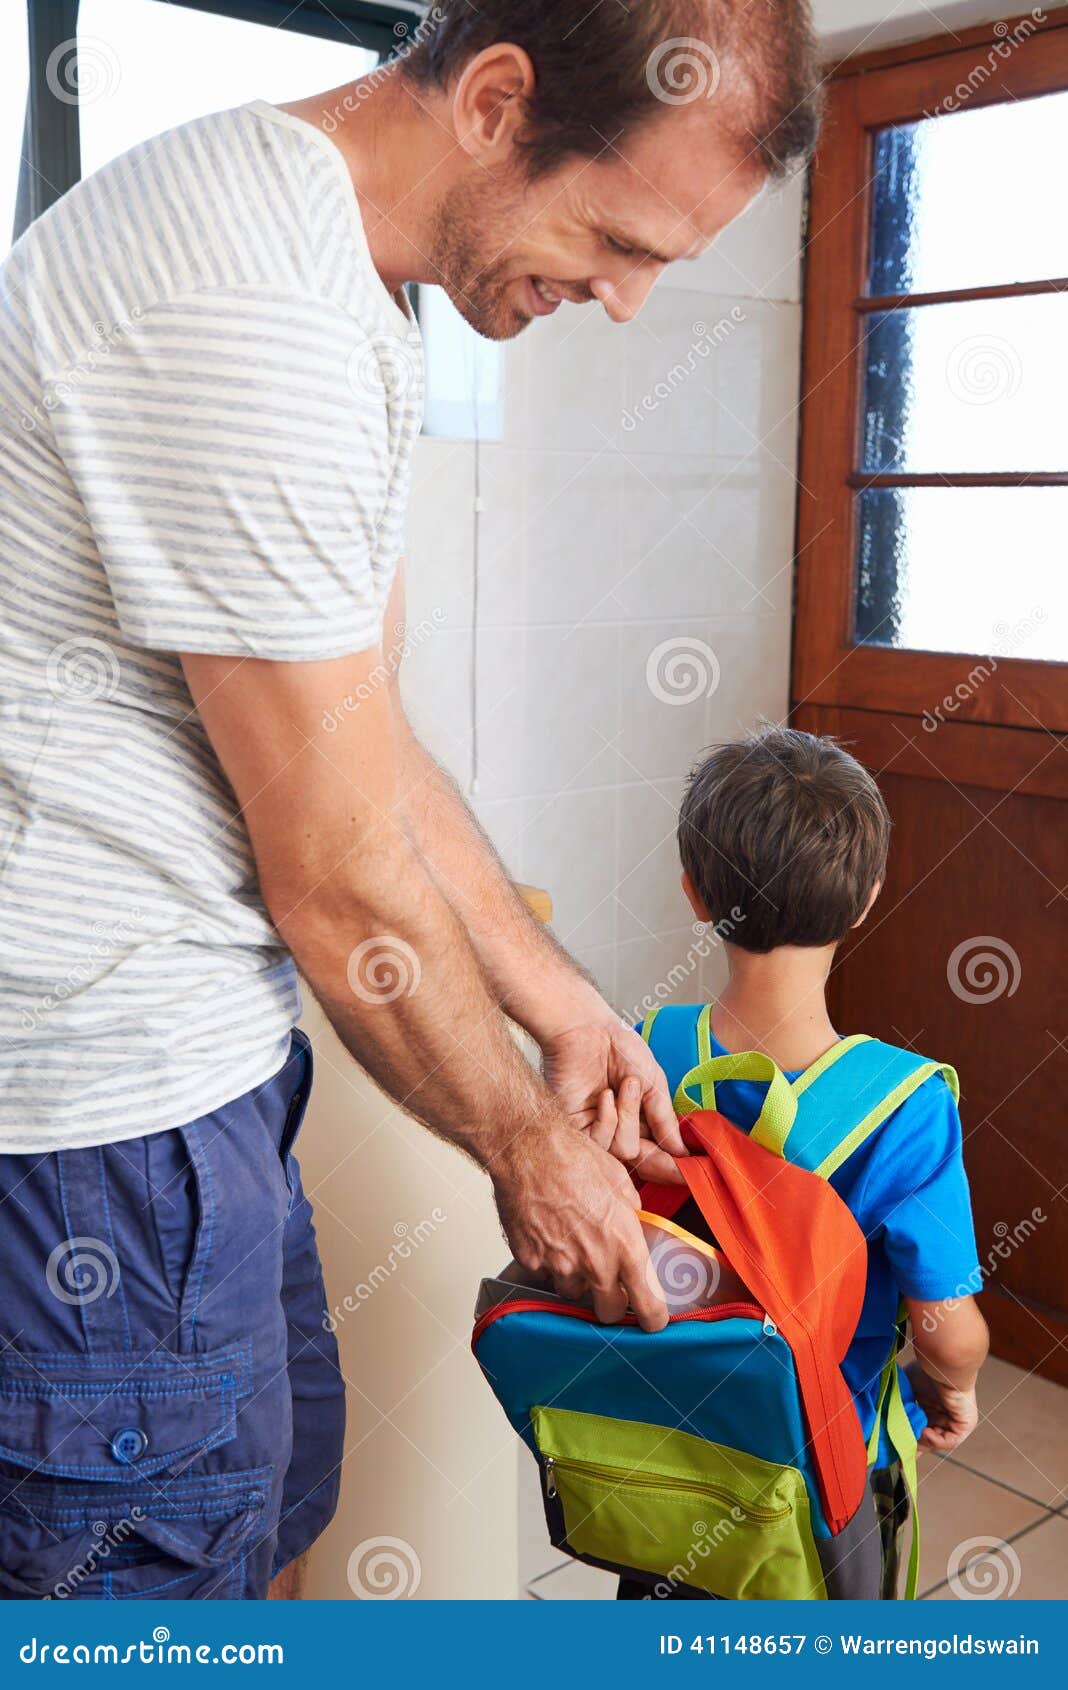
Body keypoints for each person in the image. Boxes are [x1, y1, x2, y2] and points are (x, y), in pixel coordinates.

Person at [0, 2, 821, 1598]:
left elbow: (362, 741)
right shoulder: (257, 310)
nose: (626, 301)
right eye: (619, 240)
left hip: (197, 1087)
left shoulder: (339, 283)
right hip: (99, 1119)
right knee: (155, 1595)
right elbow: (340, 875)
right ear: (497, 101)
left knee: (268, 1506)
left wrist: (562, 1008)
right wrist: (532, 1150)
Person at [617, 726, 989, 1598]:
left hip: (664, 1446)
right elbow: (946, 1326)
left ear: (694, 894)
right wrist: (956, 1385)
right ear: (866, 900)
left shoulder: (646, 1049)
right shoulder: (906, 1106)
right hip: (819, 1474)